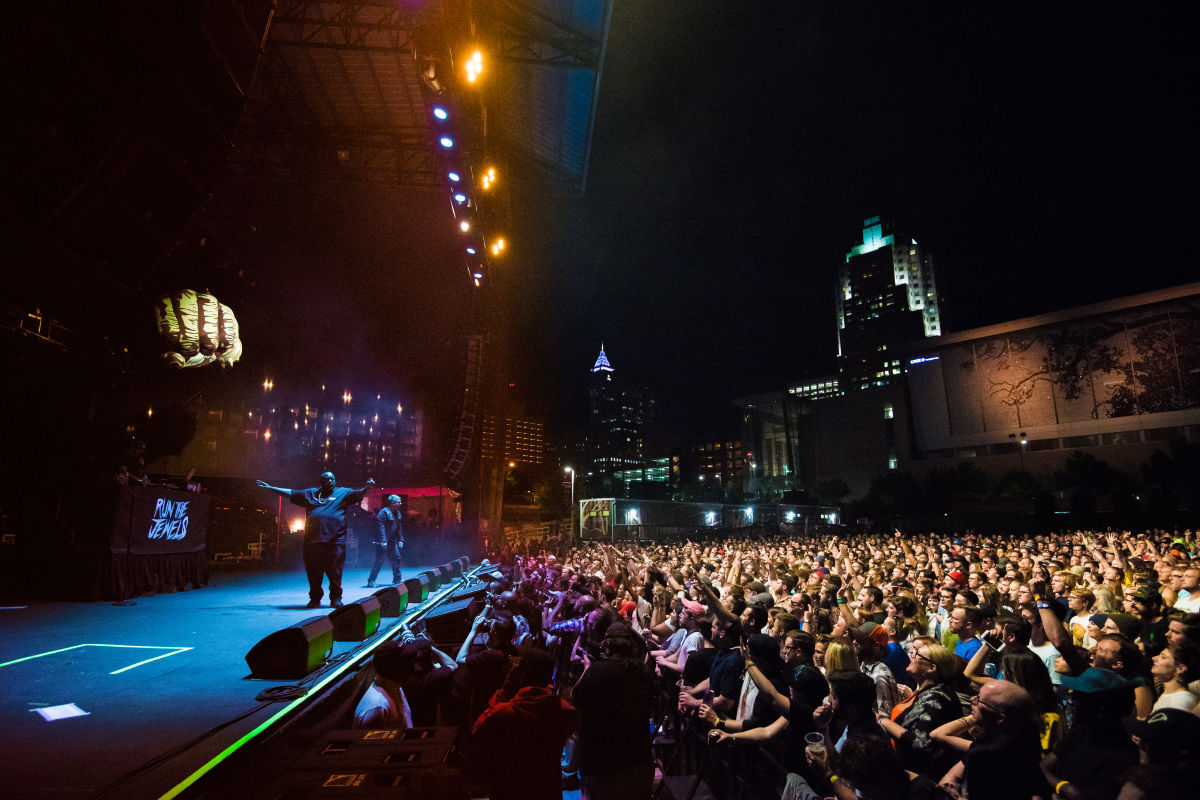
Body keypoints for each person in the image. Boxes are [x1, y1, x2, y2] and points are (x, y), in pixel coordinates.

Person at [257, 471, 375, 607]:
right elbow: (292, 493)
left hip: (334, 542)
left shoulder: (343, 493)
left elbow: (359, 494)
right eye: (327, 479)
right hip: (313, 542)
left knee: (335, 573)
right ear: (322, 482)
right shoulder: (311, 493)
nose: (331, 481)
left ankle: (335, 598)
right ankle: (315, 599)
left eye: (333, 479)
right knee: (314, 572)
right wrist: (271, 488)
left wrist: (367, 488)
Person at [471, 648, 575, 800]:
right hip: (547, 790)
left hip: (509, 790)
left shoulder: (504, 712)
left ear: (522, 675)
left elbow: (477, 730)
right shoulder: (565, 710)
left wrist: (504, 690)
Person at [367, 494, 404, 588]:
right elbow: (380, 527)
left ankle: (397, 579)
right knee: (379, 561)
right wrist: (383, 540)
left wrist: (401, 539)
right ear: (392, 502)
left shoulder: (397, 513)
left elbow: (399, 528)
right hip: (383, 541)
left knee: (396, 558)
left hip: (392, 541)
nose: (400, 503)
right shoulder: (383, 513)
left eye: (400, 501)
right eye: (398, 502)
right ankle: (371, 581)